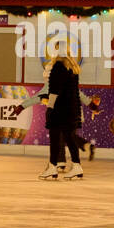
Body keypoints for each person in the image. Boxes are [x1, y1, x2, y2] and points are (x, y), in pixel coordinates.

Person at [22, 59, 99, 160]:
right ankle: (83, 148)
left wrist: (22, 106)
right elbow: (80, 95)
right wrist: (92, 105)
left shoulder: (51, 85)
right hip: (74, 112)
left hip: (65, 113)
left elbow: (35, 98)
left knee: (62, 136)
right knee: (67, 135)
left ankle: (65, 160)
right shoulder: (68, 81)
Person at [38, 50, 85, 180]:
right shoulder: (73, 68)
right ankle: (72, 165)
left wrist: (50, 107)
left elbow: (54, 89)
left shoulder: (58, 66)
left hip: (60, 108)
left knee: (57, 137)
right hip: (72, 108)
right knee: (68, 137)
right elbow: (73, 91)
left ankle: (54, 166)